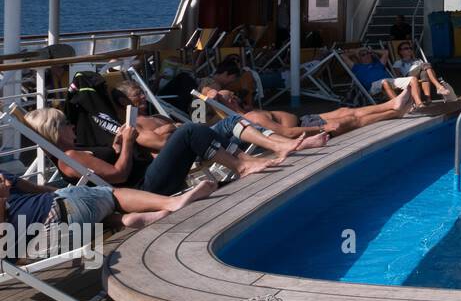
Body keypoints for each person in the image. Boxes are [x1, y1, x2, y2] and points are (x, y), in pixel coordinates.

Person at [24, 107, 284, 197]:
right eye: (66, 123)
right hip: (145, 187)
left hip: (148, 177)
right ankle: (242, 165)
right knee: (189, 132)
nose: (72, 125)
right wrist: (127, 143)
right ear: (55, 132)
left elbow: (110, 166)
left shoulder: (74, 151)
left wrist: (116, 146)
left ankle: (246, 160)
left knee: (200, 130)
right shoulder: (69, 160)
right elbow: (119, 176)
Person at [2, 169, 219, 238]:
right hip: (62, 213)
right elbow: (37, 190)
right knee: (111, 194)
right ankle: (172, 202)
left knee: (81, 201)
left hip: (50, 240)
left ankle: (122, 219)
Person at [203, 84, 417, 138]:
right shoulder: (249, 118)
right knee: (352, 119)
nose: (235, 97)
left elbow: (205, 90)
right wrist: (323, 128)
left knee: (345, 109)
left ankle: (391, 105)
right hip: (306, 129)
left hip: (304, 119)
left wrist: (212, 93)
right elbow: (285, 134)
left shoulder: (241, 111)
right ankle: (393, 112)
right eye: (230, 97)